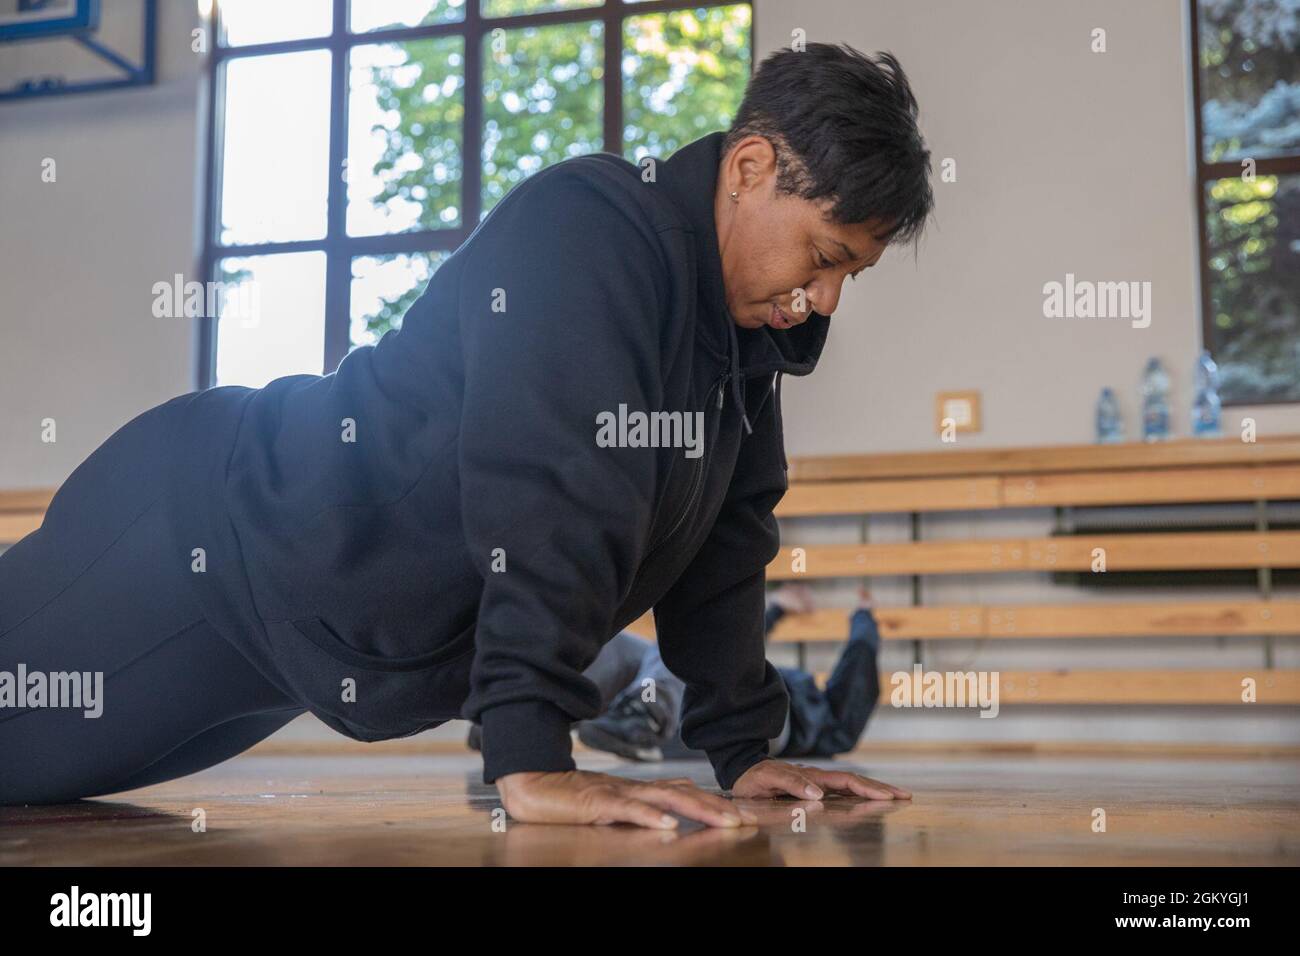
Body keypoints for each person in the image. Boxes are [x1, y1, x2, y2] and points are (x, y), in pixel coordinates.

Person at [0, 43, 932, 827]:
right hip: (203, 537)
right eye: (823, 256)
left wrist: (742, 751)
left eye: (852, 273)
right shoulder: (595, 229)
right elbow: (552, 486)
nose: (827, 298)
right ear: (748, 168)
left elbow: (728, 543)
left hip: (292, 645)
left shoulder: (741, 347)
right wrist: (529, 756)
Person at [467, 585, 882, 764]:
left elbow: (858, 668)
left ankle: (645, 715)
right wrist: (774, 609)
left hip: (735, 728)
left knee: (689, 653)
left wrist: (865, 619)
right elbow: (739, 650)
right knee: (621, 646)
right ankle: (519, 707)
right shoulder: (806, 699)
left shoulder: (826, 725)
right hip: (675, 707)